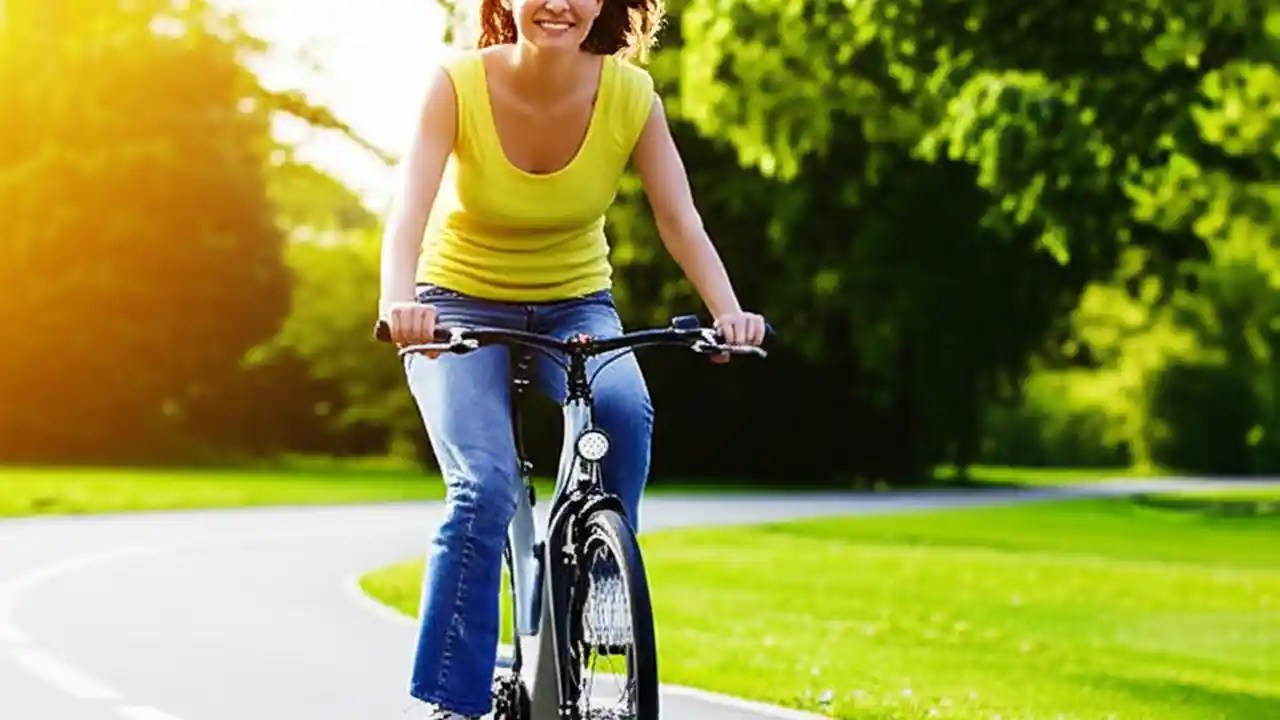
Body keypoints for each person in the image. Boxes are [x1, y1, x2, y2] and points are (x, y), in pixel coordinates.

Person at [376, 0, 766, 716]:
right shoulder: (456, 84)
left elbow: (680, 219)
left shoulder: (630, 95)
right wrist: (399, 305)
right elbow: (409, 210)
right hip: (455, 305)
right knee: (484, 487)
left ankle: (596, 591)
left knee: (622, 408)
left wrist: (727, 312)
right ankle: (452, 704)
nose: (558, 3)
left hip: (576, 305)